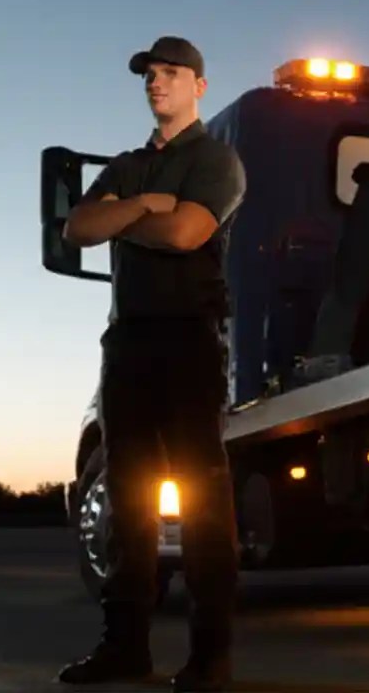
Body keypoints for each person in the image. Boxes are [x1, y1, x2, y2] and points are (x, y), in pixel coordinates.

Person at [56, 36, 246, 692]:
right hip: (127, 345)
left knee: (203, 504)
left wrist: (121, 219)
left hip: (189, 341)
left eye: (170, 74)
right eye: (149, 76)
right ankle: (124, 650)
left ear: (199, 85)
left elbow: (188, 233)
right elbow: (76, 228)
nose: (156, 84)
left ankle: (210, 656)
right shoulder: (127, 166)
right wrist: (142, 207)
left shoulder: (217, 162)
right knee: (129, 507)